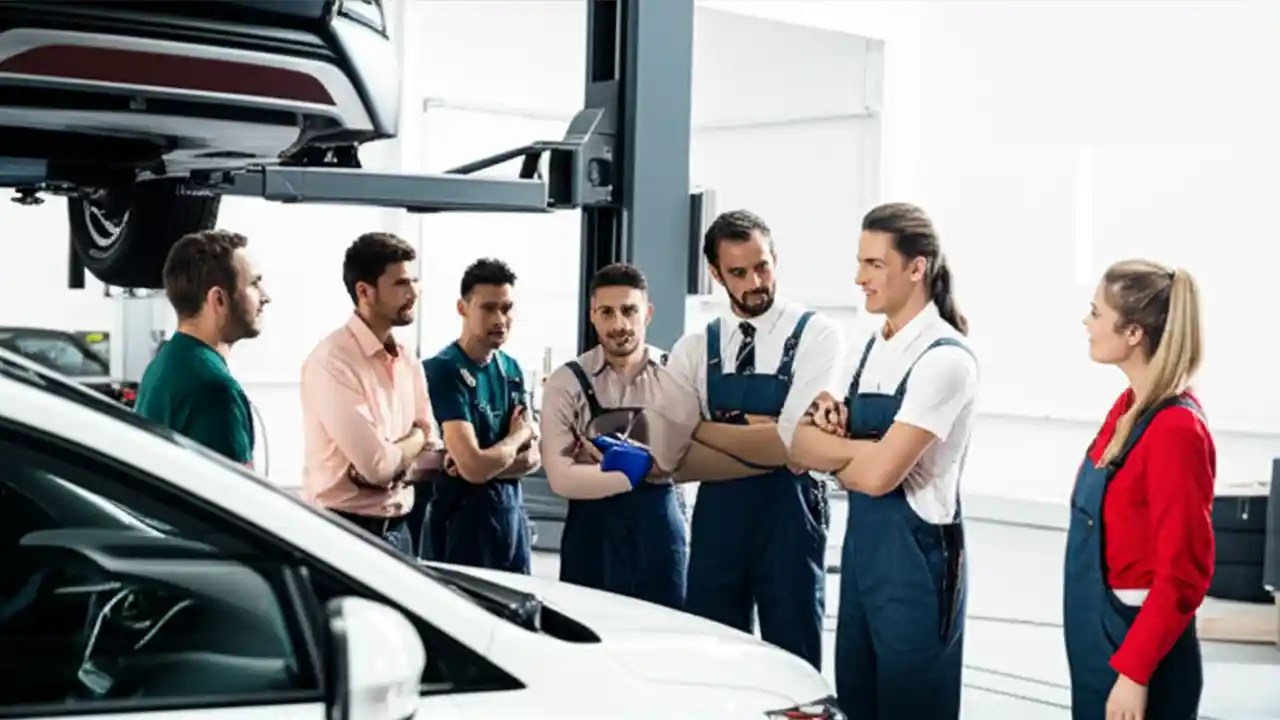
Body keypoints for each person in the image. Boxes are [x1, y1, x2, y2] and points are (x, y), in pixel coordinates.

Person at [789, 202, 979, 718]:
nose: (859, 278)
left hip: (917, 572)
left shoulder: (944, 360)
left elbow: (876, 478)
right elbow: (799, 448)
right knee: (857, 701)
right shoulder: (869, 346)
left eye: (874, 264)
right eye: (859, 262)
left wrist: (846, 457)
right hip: (865, 566)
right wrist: (861, 453)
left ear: (917, 268)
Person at [664, 209, 844, 671]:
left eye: (762, 266)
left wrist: (702, 428)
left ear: (775, 259)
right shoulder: (693, 348)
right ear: (715, 274)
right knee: (710, 649)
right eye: (738, 273)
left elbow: (794, 449)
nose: (755, 282)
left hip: (791, 514)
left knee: (794, 653)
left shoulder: (817, 336)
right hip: (717, 520)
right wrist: (767, 434)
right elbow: (673, 458)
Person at [1065, 259, 1215, 719]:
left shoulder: (1175, 430)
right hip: (1101, 638)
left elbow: (1184, 572)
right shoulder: (1129, 408)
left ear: (1132, 332)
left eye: (1096, 312)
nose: (1086, 323)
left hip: (1136, 651)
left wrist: (1133, 674)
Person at [539, 262, 701, 609]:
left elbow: (691, 461)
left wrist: (602, 461)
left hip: (662, 535)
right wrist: (649, 464)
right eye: (607, 312)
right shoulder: (566, 382)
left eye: (629, 311)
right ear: (592, 315)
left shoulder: (677, 376)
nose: (618, 324)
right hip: (591, 541)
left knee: (664, 639)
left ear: (648, 313)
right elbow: (561, 479)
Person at [299, 232, 442, 554]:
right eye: (401, 284)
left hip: (401, 530)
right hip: (343, 534)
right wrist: (413, 440)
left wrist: (403, 453)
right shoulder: (331, 362)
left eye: (414, 281)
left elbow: (431, 439)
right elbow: (377, 466)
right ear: (365, 291)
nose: (414, 293)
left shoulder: (406, 357)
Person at [424, 258, 540, 574]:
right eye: (489, 308)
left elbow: (532, 460)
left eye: (507, 308)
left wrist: (478, 464)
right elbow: (475, 466)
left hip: (510, 520)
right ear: (463, 308)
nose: (500, 319)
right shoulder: (443, 370)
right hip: (463, 525)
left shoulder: (511, 369)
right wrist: (520, 436)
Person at [135, 229, 269, 467]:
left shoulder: (166, 363)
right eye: (254, 284)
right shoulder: (215, 391)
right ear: (218, 299)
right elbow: (236, 498)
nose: (265, 297)